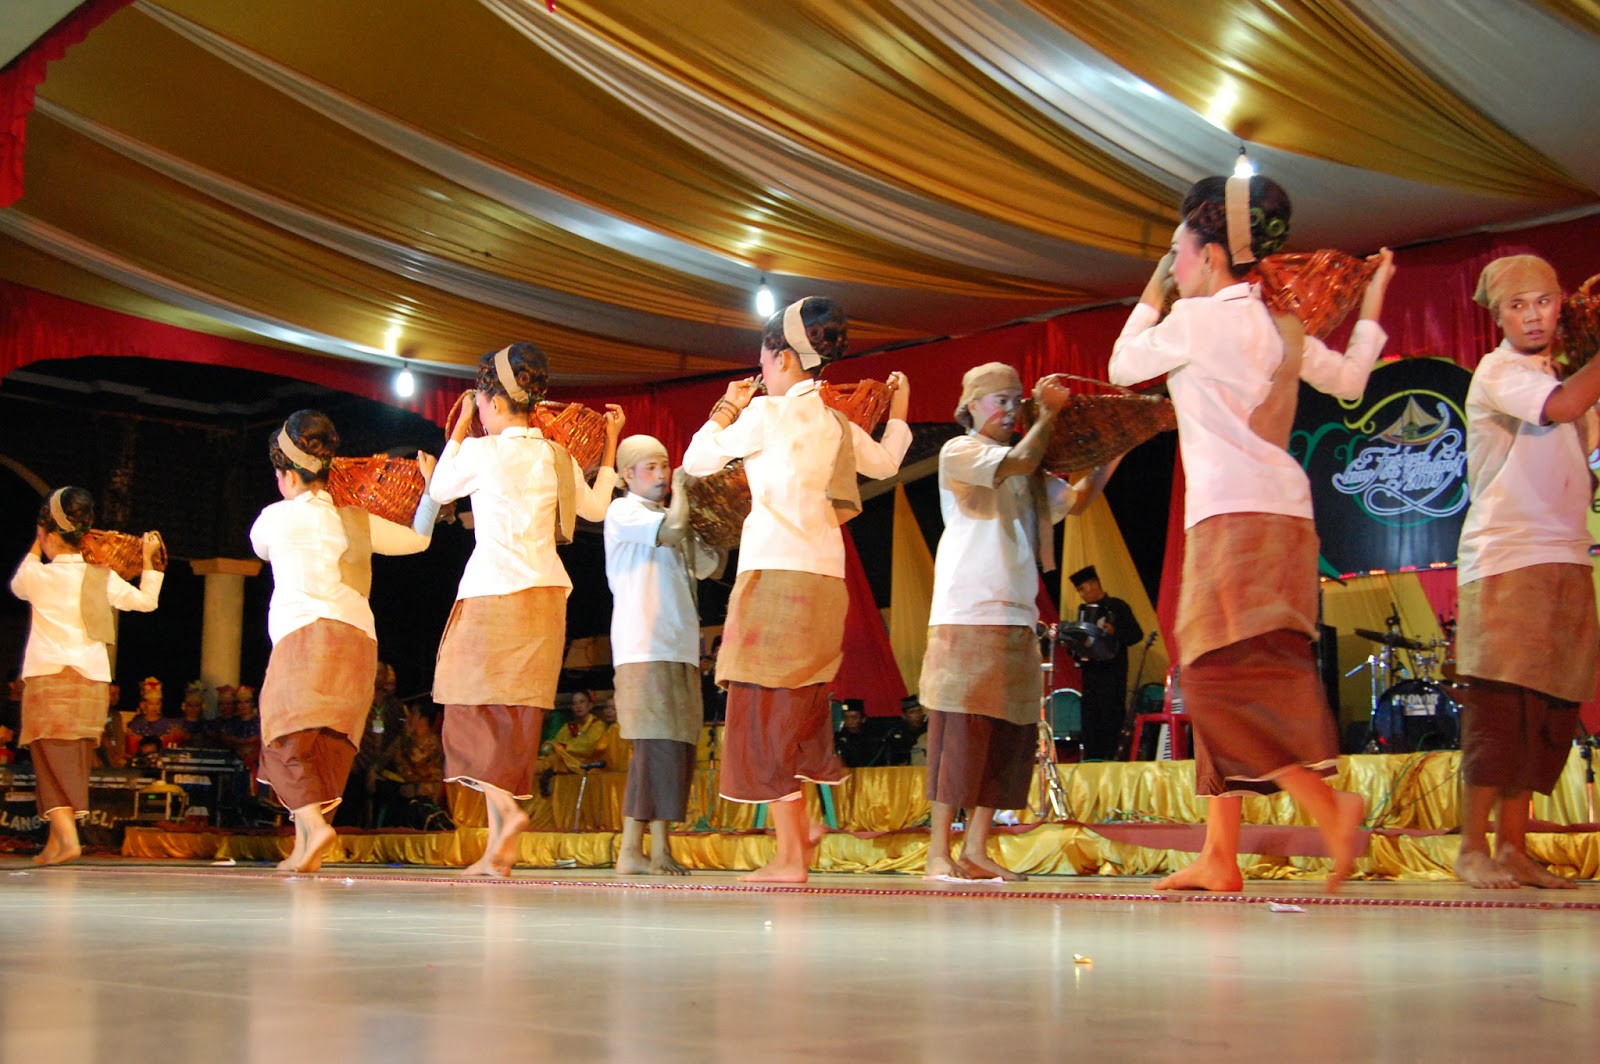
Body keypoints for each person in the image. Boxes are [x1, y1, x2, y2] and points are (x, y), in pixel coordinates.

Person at [1108, 174, 1396, 892]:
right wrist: (1375, 298)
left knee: (1207, 681)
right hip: (1287, 515)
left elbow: (1120, 365)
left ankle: (1326, 803)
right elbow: (1355, 380)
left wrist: (1152, 295)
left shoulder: (1199, 321)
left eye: (1176, 253)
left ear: (1207, 257)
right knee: (1253, 668)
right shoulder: (1278, 323)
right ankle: (1219, 854)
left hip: (1232, 516)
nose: (1174, 267)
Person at [683, 295, 911, 882]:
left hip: (775, 571)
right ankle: (800, 831)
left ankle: (790, 854)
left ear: (781, 358)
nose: (758, 369)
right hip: (826, 578)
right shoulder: (836, 422)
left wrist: (727, 407)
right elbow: (886, 462)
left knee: (761, 707)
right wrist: (902, 408)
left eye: (763, 356)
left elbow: (698, 459)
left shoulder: (765, 415)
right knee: (799, 702)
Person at [429, 342, 622, 876]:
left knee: (468, 704)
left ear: (491, 399)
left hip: (495, 588)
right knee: (512, 716)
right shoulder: (555, 455)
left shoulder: (484, 451)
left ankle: (507, 818)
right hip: (545, 595)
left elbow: (439, 486)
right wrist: (608, 446)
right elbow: (598, 508)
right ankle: (501, 847)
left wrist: (461, 424)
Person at [919, 362, 1115, 881]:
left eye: (1015, 400)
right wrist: (1047, 415)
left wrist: (1112, 451)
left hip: (1016, 611)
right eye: (998, 400)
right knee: (959, 732)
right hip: (967, 610)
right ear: (971, 407)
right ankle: (938, 852)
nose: (1009, 409)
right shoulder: (961, 451)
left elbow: (1075, 501)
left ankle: (978, 849)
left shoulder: (1025, 467)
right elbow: (1023, 458)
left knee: (1010, 734)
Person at [1451, 255, 1599, 890]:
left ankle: (1514, 846)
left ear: (1560, 303)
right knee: (1501, 710)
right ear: (1497, 315)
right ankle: (1471, 849)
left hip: (1566, 555)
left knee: (1545, 713)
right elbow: (1563, 406)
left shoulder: (1558, 372)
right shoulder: (1499, 371)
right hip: (1507, 560)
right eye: (1518, 305)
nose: (1533, 315)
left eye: (1543, 301)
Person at [250, 409, 439, 872]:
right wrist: (431, 489)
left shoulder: (274, 518)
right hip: (358, 639)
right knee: (330, 742)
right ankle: (306, 843)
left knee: (282, 736)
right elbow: (419, 540)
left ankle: (313, 827)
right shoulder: (355, 519)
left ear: (286, 477)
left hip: (306, 634)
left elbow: (259, 547)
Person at [9, 486, 163, 865]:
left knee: (48, 758)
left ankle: (68, 838)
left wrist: (36, 540)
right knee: (70, 758)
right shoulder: (100, 575)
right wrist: (149, 562)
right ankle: (55, 842)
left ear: (49, 534)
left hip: (50, 678)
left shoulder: (38, 576)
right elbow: (147, 602)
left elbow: (17, 583)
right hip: (91, 681)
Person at [604, 434, 720, 875]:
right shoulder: (623, 511)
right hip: (643, 646)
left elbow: (712, 563)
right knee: (653, 746)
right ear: (627, 475)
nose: (661, 475)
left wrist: (716, 518)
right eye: (650, 467)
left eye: (665, 466)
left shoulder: (670, 515)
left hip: (680, 648)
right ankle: (632, 849)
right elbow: (671, 531)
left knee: (676, 748)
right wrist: (686, 493)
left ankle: (657, 849)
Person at [1067, 565, 1145, 760]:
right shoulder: (1083, 610)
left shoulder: (1117, 606)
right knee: (1091, 718)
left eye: (1083, 589)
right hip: (1091, 673)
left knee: (1111, 716)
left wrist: (1114, 632)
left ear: (1094, 584)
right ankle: (1092, 760)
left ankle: (1113, 760)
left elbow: (1136, 635)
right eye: (1079, 591)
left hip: (1112, 673)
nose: (1082, 595)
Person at [833, 701, 881, 768]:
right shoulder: (838, 737)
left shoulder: (872, 737)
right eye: (846, 717)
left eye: (854, 717)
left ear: (863, 719)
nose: (850, 721)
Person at [883, 695, 928, 766]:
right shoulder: (897, 733)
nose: (917, 715)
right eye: (912, 712)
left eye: (919, 710)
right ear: (904, 716)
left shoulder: (930, 727)